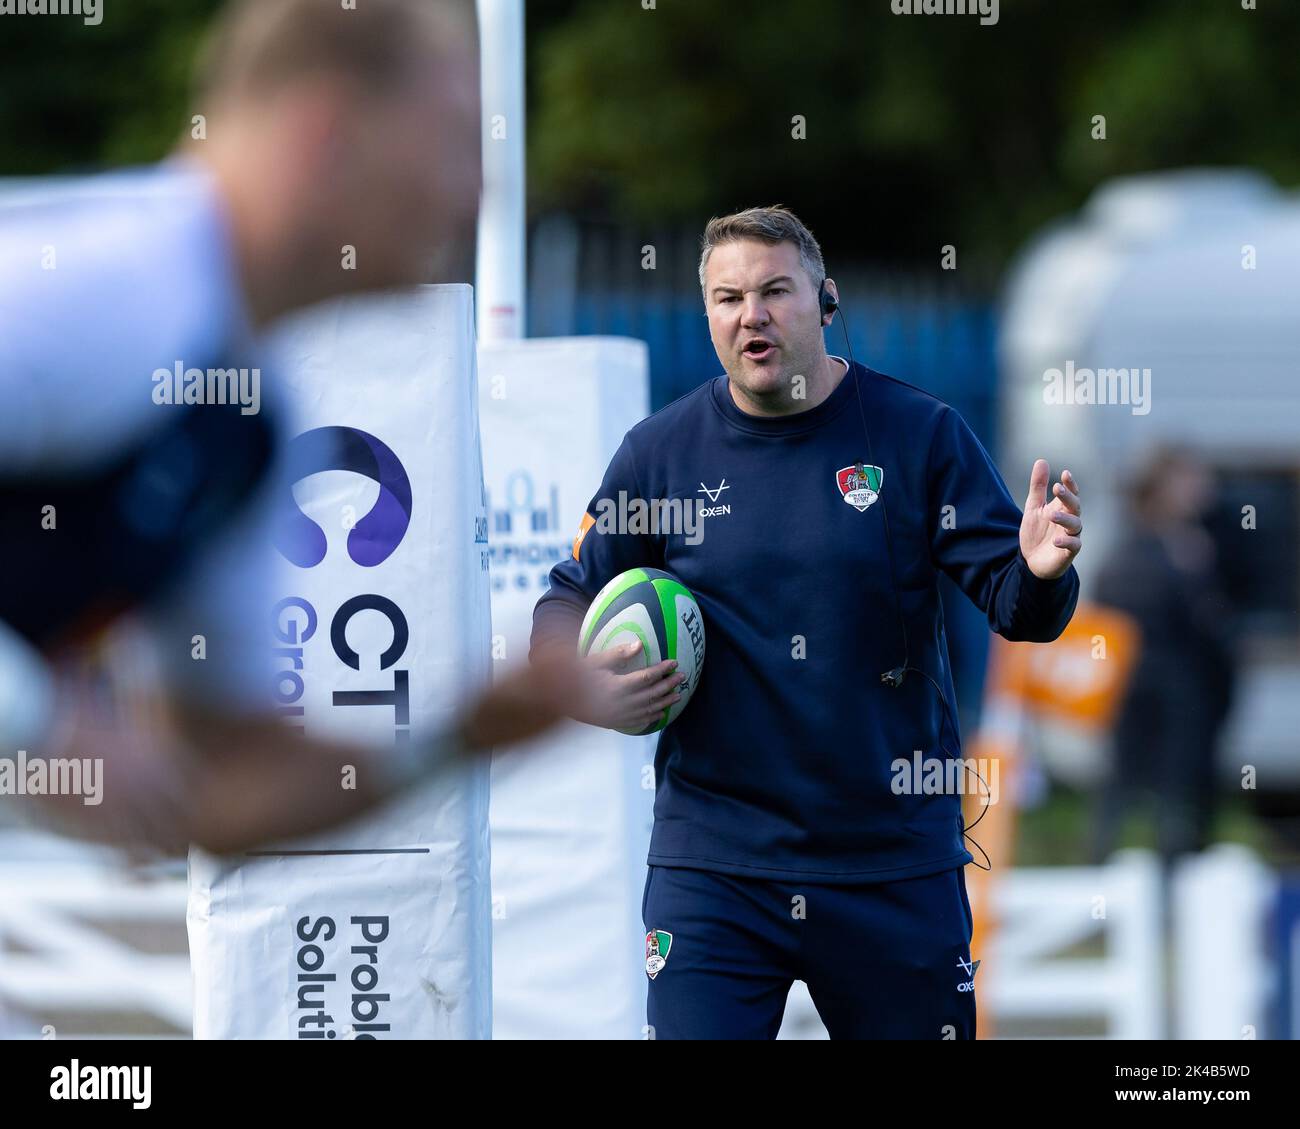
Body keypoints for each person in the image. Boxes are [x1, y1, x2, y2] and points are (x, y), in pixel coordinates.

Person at [0, 0, 586, 856]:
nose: (477, 192)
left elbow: (211, 793)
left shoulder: (246, 426)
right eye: (456, 140)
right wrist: (38, 721)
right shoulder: (117, 289)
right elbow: (67, 748)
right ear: (328, 131)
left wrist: (458, 736)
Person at [531, 206, 1083, 1039]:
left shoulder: (919, 436)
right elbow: (563, 606)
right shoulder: (660, 455)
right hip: (716, 866)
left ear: (826, 301)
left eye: (773, 291)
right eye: (726, 298)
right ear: (709, 316)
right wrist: (587, 683)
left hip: (889, 861)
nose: (750, 314)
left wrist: (1044, 569)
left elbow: (1016, 604)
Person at [1091, 444, 1237, 867]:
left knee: (1149, 792)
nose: (1200, 489)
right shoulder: (1161, 550)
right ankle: (1126, 886)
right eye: (1188, 480)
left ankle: (1152, 882)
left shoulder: (1180, 544)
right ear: (1163, 488)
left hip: (1157, 691)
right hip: (1162, 690)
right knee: (1156, 794)